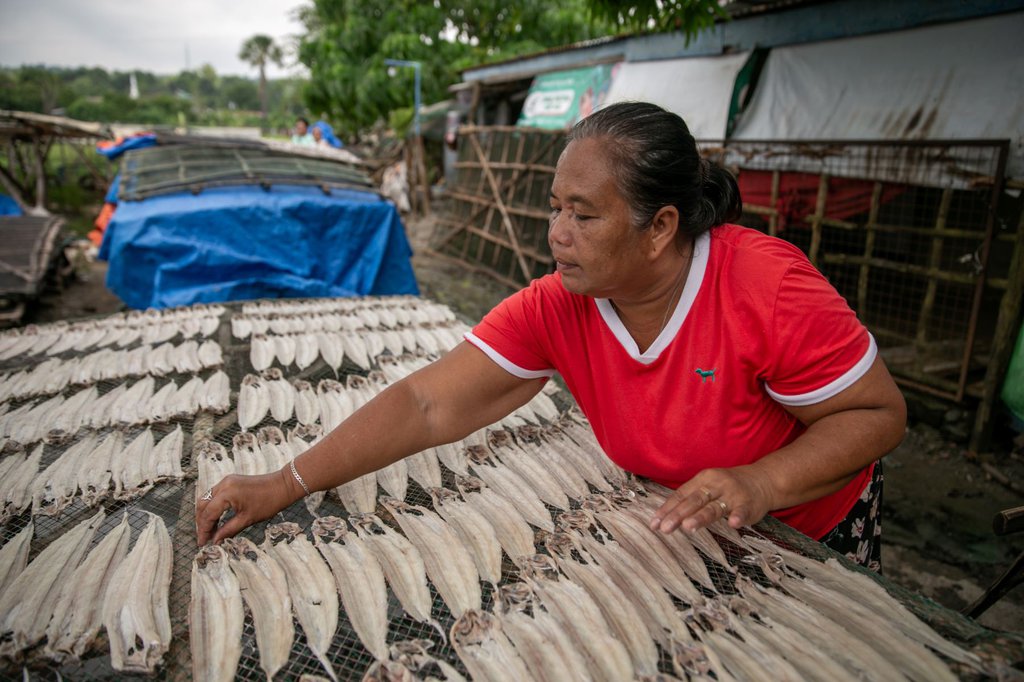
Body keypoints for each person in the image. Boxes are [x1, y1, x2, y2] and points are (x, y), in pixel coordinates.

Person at [197, 102, 905, 571]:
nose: (557, 235)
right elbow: (426, 404)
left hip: (808, 525)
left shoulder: (763, 287)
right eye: (555, 208)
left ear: (660, 227)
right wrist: (286, 482)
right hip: (693, 528)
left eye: (584, 216)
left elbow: (876, 414)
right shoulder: (559, 305)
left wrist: (762, 481)